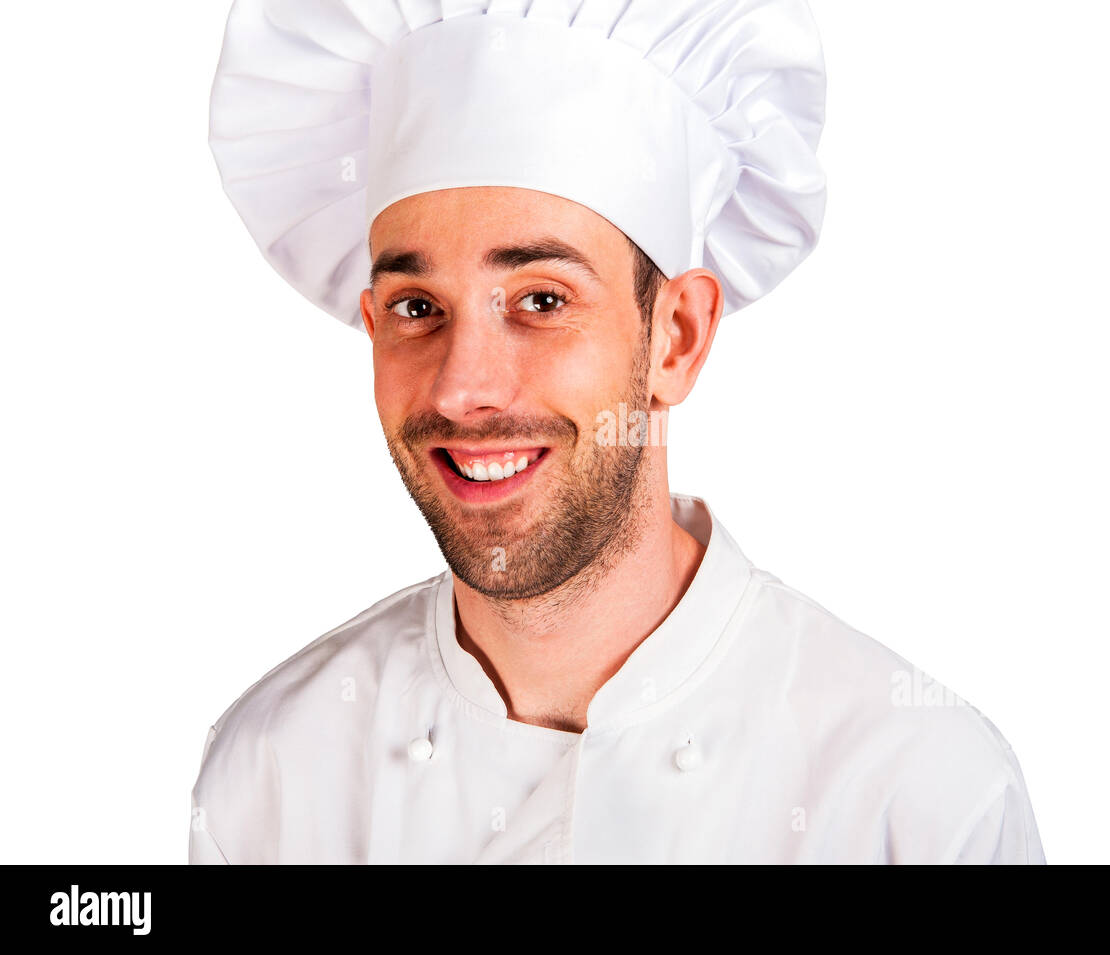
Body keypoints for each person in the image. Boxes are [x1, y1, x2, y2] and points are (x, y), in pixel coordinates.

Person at [191, 0, 1046, 864]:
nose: (462, 387)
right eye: (419, 309)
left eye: (541, 300)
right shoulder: (271, 782)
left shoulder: (919, 799)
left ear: (677, 337)